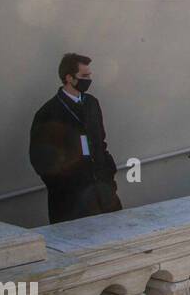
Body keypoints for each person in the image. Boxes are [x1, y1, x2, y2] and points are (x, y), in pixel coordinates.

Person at [29, 53, 123, 224]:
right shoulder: (49, 113)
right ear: (69, 78)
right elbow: (40, 159)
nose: (89, 80)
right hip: (70, 201)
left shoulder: (92, 104)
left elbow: (100, 143)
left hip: (102, 193)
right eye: (84, 76)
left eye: (89, 75)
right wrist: (64, 186)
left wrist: (108, 174)